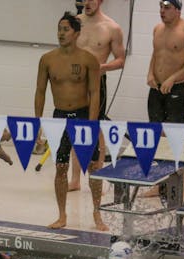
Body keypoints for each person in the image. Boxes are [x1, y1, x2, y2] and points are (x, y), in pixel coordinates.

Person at [34, 12, 104, 230]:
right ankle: (62, 215)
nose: (61, 33)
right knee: (61, 167)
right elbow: (40, 92)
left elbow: (95, 93)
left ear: (76, 33)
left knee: (93, 167)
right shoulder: (47, 59)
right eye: (59, 29)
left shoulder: (88, 60)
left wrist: (92, 124)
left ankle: (96, 213)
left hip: (83, 116)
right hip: (60, 118)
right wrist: (37, 124)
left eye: (66, 29)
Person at [69, 0, 126, 192]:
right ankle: (75, 179)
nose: (86, 2)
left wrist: (103, 67)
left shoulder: (112, 27)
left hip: (96, 83)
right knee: (74, 127)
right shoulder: (74, 22)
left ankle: (97, 179)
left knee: (97, 128)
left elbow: (120, 60)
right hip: (74, 82)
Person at [147, 0, 184, 124]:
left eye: (167, 7)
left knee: (174, 134)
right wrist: (150, 73)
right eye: (161, 6)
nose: (162, 11)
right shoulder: (157, 28)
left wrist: (173, 78)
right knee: (155, 131)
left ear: (177, 10)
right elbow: (156, 54)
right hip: (155, 88)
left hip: (176, 88)